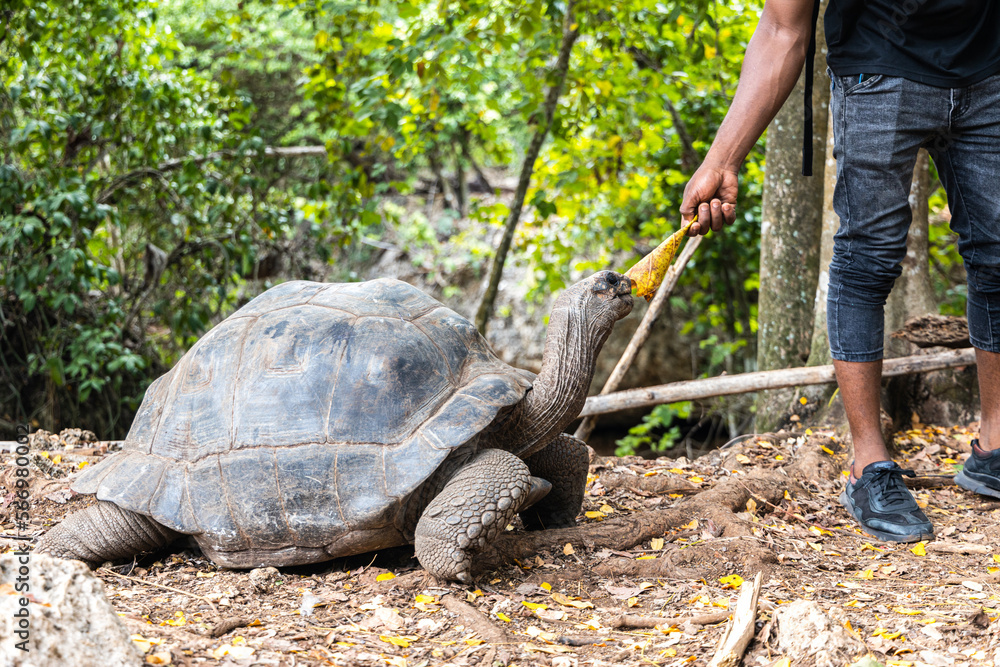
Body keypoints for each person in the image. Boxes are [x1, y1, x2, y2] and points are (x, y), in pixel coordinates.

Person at [679, 0, 1000, 542]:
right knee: (868, 258)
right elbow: (783, 28)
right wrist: (722, 159)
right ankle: (869, 464)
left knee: (997, 255)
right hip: (879, 69)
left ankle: (994, 445)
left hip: (990, 67)